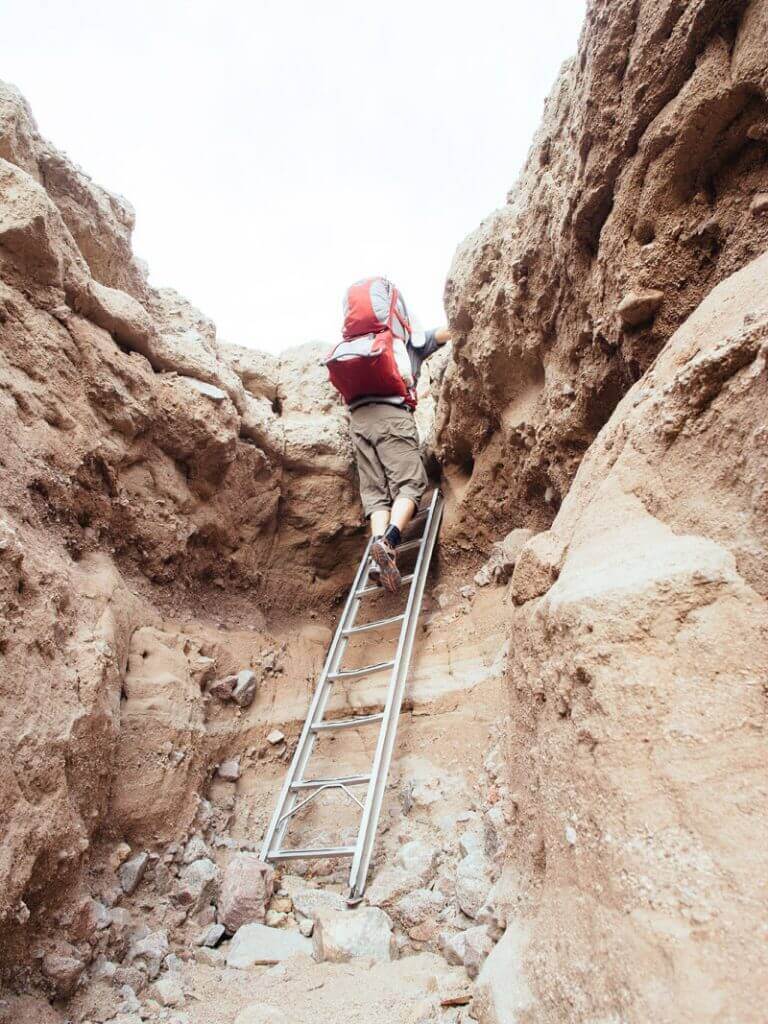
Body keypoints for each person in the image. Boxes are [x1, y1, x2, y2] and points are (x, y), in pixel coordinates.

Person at [329, 279, 451, 592]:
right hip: (392, 417)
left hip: (359, 422)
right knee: (410, 484)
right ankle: (389, 542)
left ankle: (376, 559)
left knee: (376, 495)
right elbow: (451, 331)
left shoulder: (359, 347)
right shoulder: (407, 341)